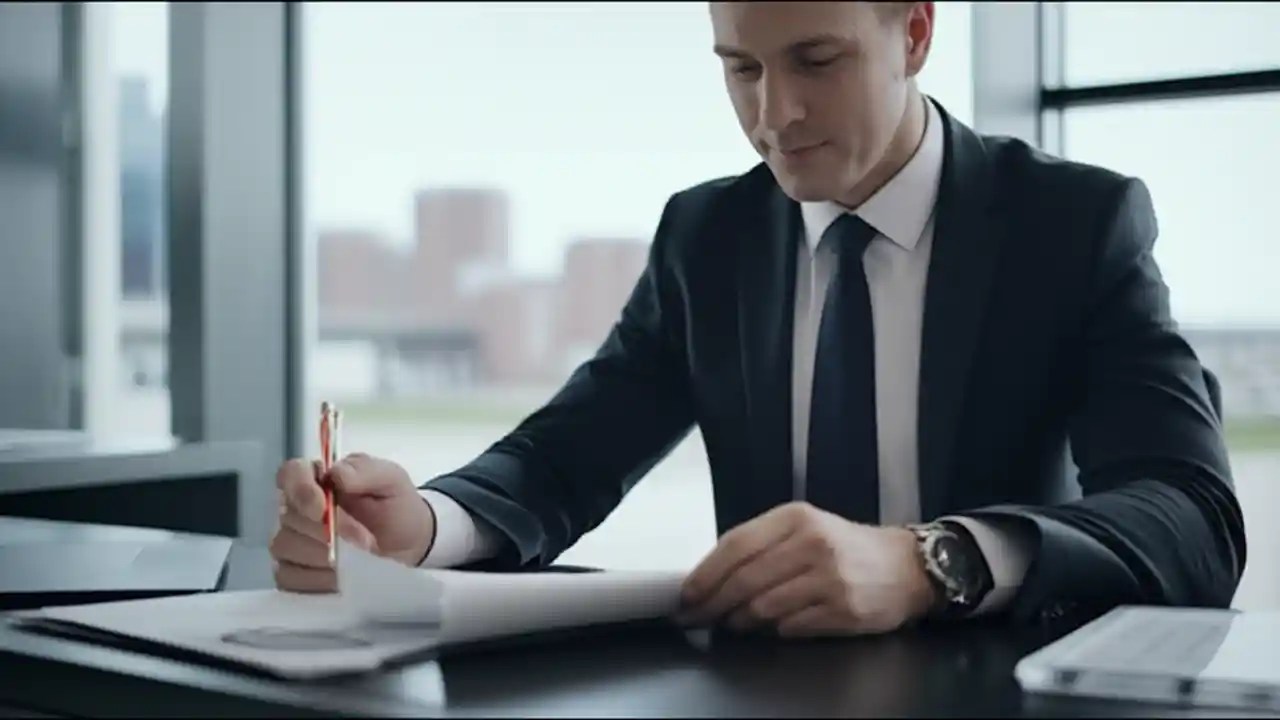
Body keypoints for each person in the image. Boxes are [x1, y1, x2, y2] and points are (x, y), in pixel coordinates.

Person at [271, 1, 1245, 637]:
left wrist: (929, 561)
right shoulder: (709, 235)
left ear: (911, 31)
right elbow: (563, 457)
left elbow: (1188, 519)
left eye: (814, 60)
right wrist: (425, 527)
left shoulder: (1071, 225)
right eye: (738, 68)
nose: (772, 114)